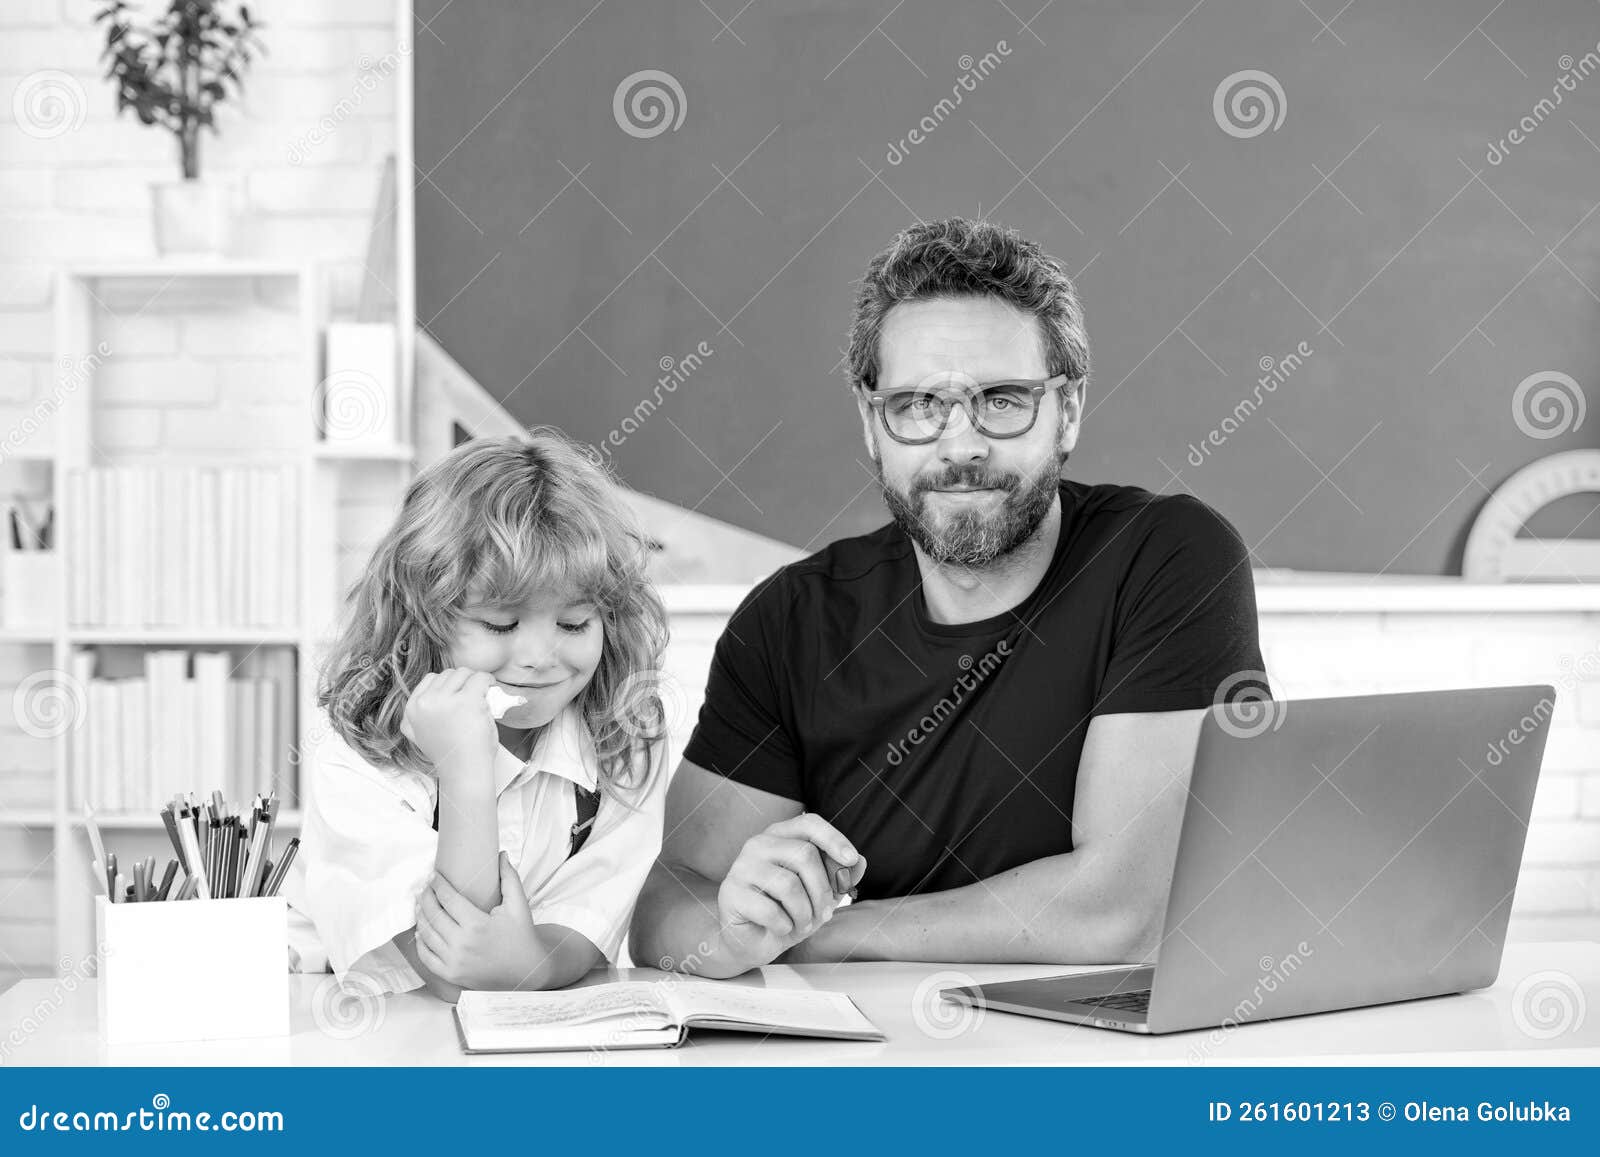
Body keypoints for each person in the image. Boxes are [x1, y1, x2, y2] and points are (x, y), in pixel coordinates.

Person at [631, 217, 1269, 978]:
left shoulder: (1166, 558)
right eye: (919, 404)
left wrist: (826, 934)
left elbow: (1122, 911)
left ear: (1068, 411)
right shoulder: (788, 622)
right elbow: (666, 912)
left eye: (1002, 400)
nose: (960, 445)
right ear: (873, 423)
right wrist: (736, 928)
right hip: (866, 1063)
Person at [288, 431, 670, 999]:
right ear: (423, 618)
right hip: (358, 1025)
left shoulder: (625, 737)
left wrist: (534, 964)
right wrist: (466, 767)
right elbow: (451, 974)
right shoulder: (356, 755)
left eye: (573, 625)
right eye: (499, 625)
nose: (539, 659)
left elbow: (588, 921)